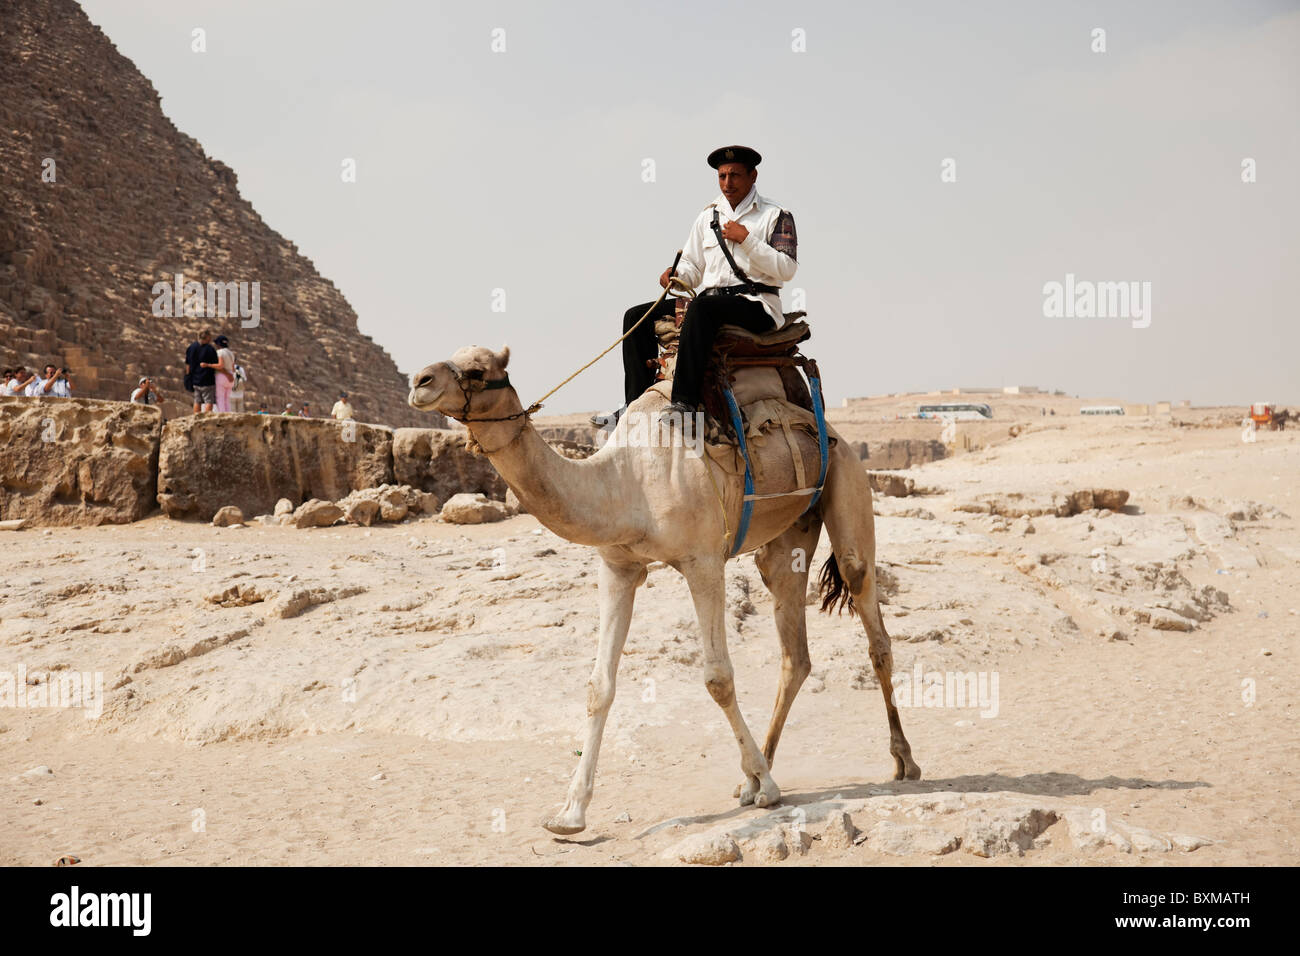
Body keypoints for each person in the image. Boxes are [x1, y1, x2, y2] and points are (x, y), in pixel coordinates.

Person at [592, 145, 798, 429]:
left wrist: (747, 240)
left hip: (756, 305)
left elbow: (787, 270)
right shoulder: (708, 217)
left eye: (735, 175)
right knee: (636, 316)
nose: (728, 183)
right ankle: (635, 408)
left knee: (702, 307)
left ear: (753, 176)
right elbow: (693, 268)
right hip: (710, 303)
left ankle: (683, 403)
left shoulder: (776, 215)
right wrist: (676, 276)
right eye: (722, 176)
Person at [185, 330, 218, 414]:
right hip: (207, 379)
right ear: (207, 337)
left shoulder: (191, 347)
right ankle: (206, 419)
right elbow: (215, 364)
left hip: (195, 380)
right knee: (208, 401)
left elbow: (187, 365)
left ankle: (196, 418)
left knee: (197, 400)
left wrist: (188, 376)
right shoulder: (210, 349)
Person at [204, 334, 236, 412]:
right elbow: (233, 368)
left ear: (218, 344)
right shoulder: (231, 354)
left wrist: (208, 365)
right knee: (227, 399)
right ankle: (228, 414)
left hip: (221, 376)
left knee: (220, 398)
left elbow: (220, 365)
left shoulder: (219, 352)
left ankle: (222, 415)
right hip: (231, 377)